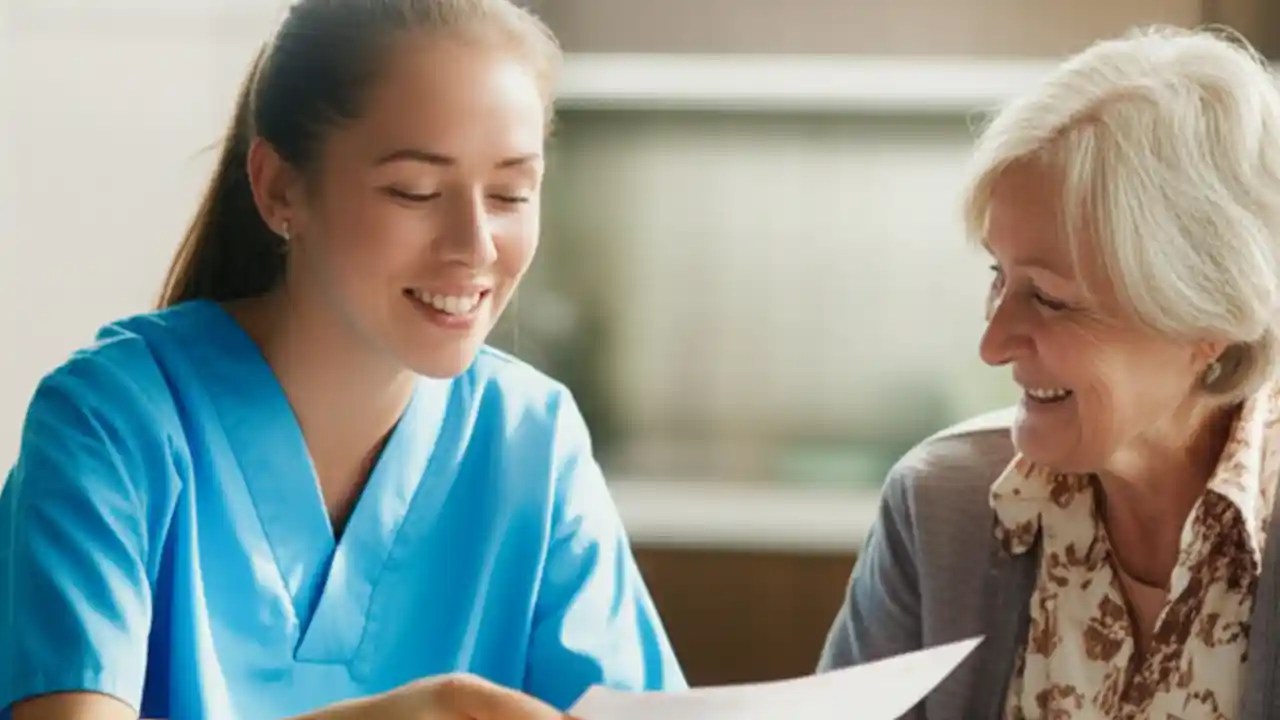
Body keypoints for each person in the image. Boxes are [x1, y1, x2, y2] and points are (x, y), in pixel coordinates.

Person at [0, 1, 685, 718]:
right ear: (279, 188)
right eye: (415, 191)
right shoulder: (110, 422)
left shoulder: (531, 441)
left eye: (511, 194)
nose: (475, 245)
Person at [818, 26, 1280, 720]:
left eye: (1050, 298)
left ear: (1208, 320)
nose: (993, 344)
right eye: (998, 277)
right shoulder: (938, 510)